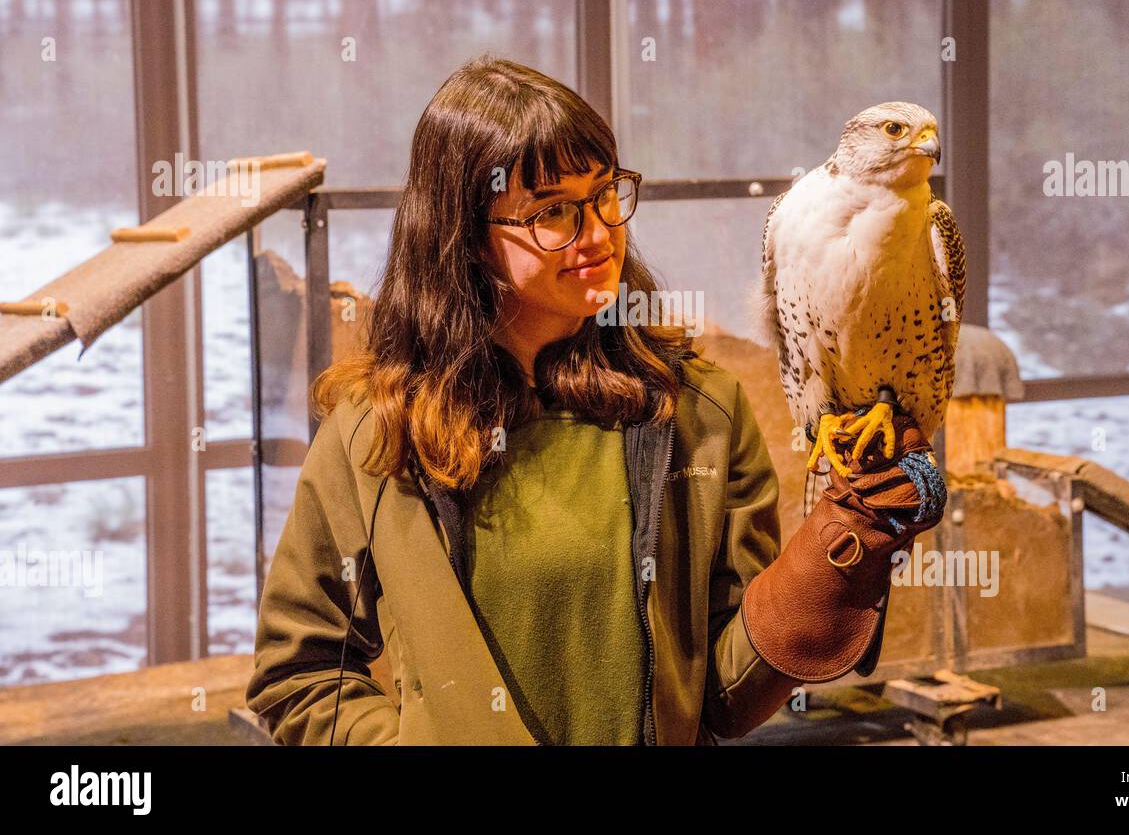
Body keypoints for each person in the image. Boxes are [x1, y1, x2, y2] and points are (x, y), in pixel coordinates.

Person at [245, 53, 945, 745]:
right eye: (552, 212)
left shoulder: (700, 412)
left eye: (604, 192)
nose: (598, 233)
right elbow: (300, 675)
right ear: (465, 236)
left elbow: (724, 696)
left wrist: (837, 555)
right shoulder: (379, 431)